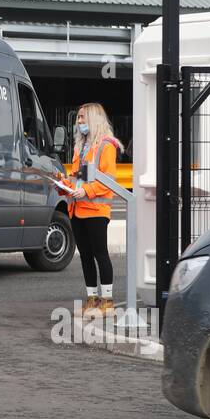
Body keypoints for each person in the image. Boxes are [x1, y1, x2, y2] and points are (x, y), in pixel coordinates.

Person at [65, 103, 123, 317]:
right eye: (78, 118)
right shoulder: (80, 147)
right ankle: (92, 299)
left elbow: (108, 181)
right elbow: (76, 178)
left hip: (96, 209)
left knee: (100, 254)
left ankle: (107, 301)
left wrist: (86, 191)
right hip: (77, 208)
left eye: (82, 118)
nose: (79, 122)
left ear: (94, 119)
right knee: (86, 256)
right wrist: (64, 187)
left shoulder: (106, 145)